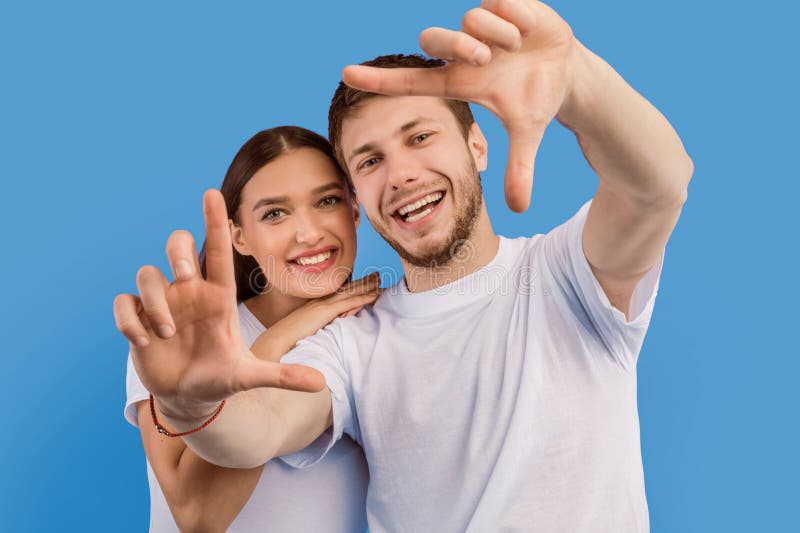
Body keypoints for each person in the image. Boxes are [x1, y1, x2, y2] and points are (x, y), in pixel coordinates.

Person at [115, 1, 694, 531]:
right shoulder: (351, 337)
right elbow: (258, 427)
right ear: (361, 201)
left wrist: (579, 82)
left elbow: (658, 187)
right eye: (370, 161)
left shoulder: (568, 272)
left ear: (477, 146)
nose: (401, 175)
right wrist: (191, 406)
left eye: (420, 137)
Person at [119, 126, 377, 532]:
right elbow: (196, 516)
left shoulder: (374, 335)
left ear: (356, 210)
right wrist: (278, 337)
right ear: (238, 237)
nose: (309, 233)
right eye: (275, 213)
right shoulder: (183, 340)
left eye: (327, 201)